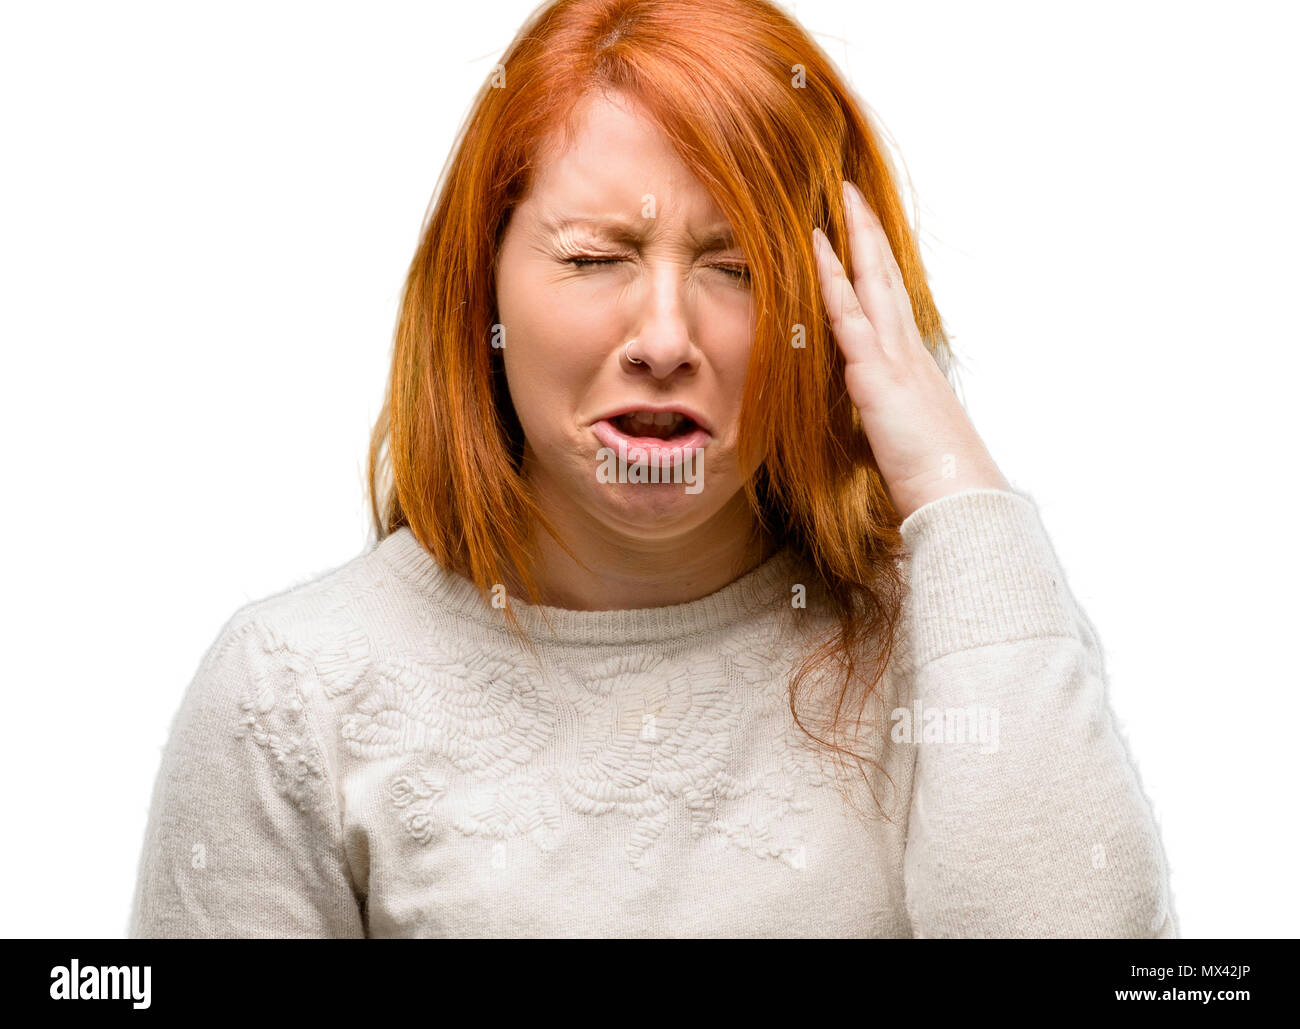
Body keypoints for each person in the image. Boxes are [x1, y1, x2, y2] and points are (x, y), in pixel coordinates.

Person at [128, 0, 1177, 938]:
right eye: (593, 260)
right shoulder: (290, 689)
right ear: (480, 289)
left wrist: (955, 486)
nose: (665, 336)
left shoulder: (957, 646)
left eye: (738, 268)